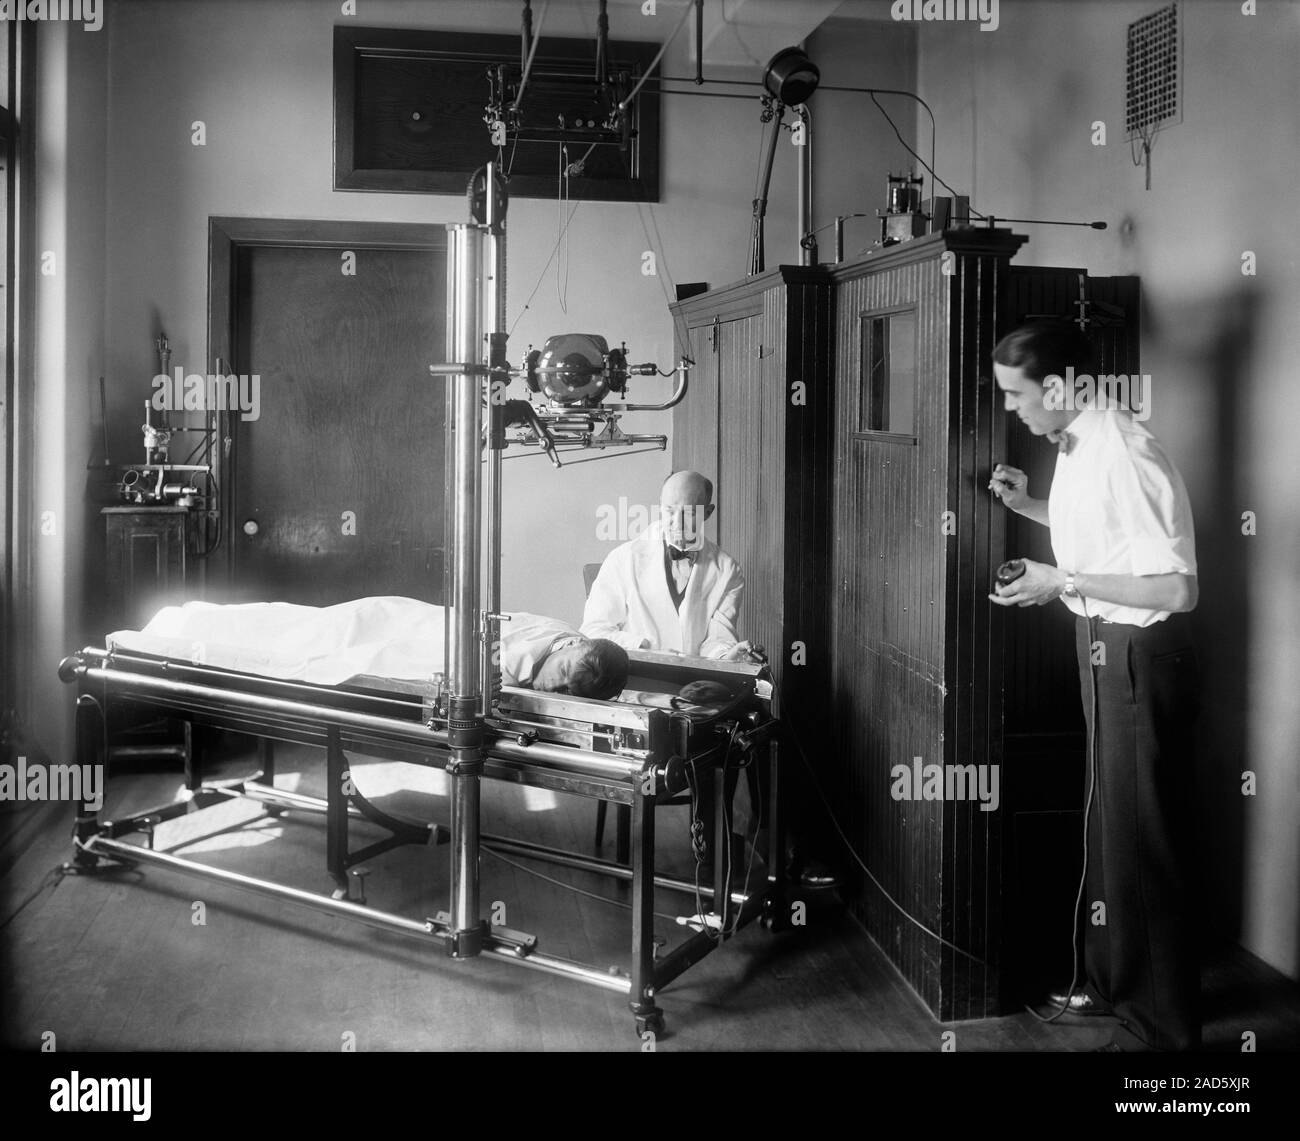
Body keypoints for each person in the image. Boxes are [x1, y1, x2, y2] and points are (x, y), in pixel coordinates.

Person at [987, 324, 1200, 1052]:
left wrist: (1063, 582)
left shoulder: (1127, 448)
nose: (1011, 409)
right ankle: (1115, 984)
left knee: (1147, 836)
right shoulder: (1080, 442)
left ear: (1055, 386)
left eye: (1015, 395)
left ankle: (1168, 1028)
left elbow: (1177, 585)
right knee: (1111, 823)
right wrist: (1027, 509)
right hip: (1101, 641)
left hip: (1138, 649)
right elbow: (1103, 533)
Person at [113, 597, 628, 700]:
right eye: (559, 674)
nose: (550, 685)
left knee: (300, 638)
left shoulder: (559, 656)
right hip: (402, 625)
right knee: (303, 630)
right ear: (574, 644)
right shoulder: (554, 632)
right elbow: (500, 655)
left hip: (409, 649)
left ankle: (185, 623)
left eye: (562, 690)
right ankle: (182, 624)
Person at [581, 470, 753, 661]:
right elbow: (593, 631)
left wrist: (727, 655)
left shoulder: (728, 571)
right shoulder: (623, 558)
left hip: (694, 683)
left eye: (689, 512)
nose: (677, 523)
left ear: (707, 513)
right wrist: (646, 649)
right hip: (632, 682)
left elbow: (717, 639)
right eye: (670, 510)